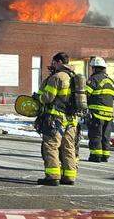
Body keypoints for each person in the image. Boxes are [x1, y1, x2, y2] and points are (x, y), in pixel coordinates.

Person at [35, 52, 79, 186]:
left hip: (56, 118)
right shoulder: (75, 77)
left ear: (59, 62)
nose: (52, 65)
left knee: (51, 145)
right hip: (72, 119)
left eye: (54, 62)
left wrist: (38, 97)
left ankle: (53, 176)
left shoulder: (57, 77)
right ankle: (69, 176)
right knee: (69, 147)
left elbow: (48, 97)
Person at [85, 56, 114, 162]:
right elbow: (113, 97)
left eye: (92, 67)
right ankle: (105, 155)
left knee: (95, 135)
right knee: (105, 136)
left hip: (97, 114)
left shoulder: (93, 79)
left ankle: (95, 156)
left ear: (95, 68)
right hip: (109, 115)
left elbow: (86, 95)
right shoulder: (111, 81)